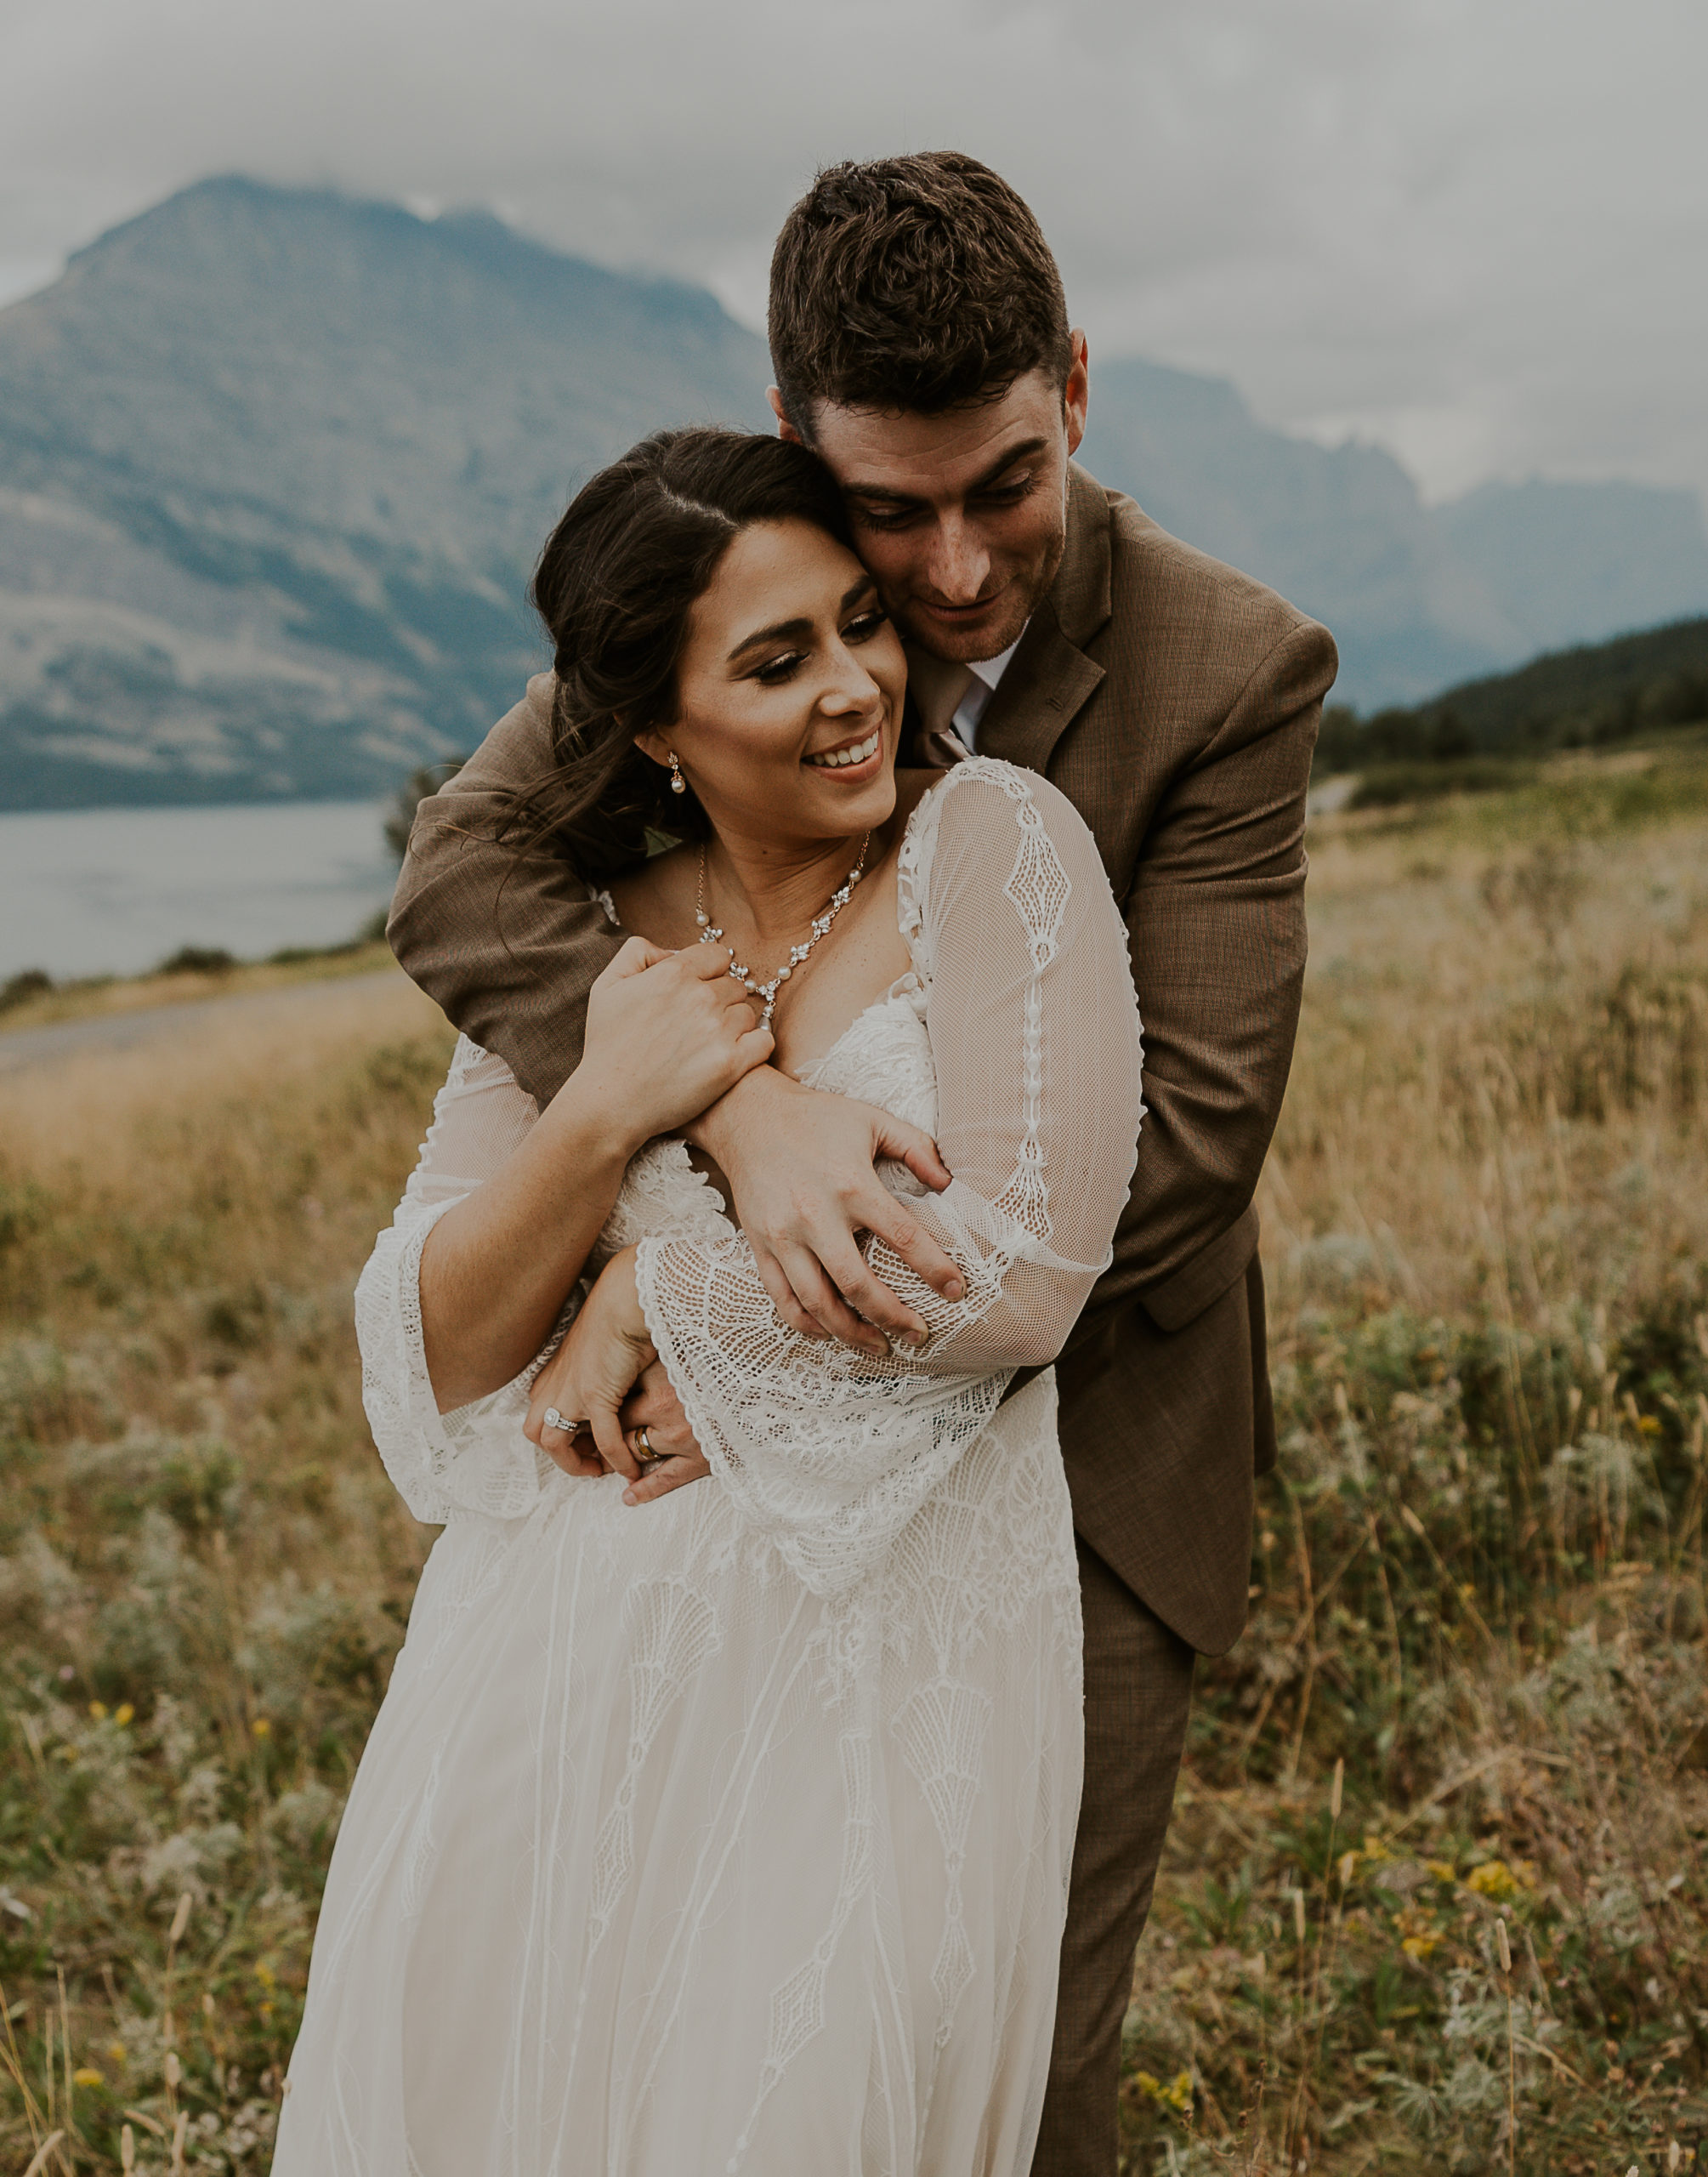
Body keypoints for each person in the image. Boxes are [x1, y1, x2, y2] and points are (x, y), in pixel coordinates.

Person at [389, 153, 1337, 2177]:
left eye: (1007, 484)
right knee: (689, 2035)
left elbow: (1180, 1151)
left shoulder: (1230, 668)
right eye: (894, 507)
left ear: (1074, 387)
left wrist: (701, 1302)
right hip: (696, 1546)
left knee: (999, 2058)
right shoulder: (745, 581)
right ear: (799, 432)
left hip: (1077, 1471)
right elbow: (464, 868)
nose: (955, 570)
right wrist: (728, 1109)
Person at [272, 426, 1143, 2174]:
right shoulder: (605, 940)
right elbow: (433, 1343)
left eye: (857, 626)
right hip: (547, 1672)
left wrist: (656, 1287)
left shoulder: (991, 845)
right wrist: (602, 1110)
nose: (855, 686)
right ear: (655, 729)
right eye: (775, 659)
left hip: (874, 1678)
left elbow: (1020, 1270)